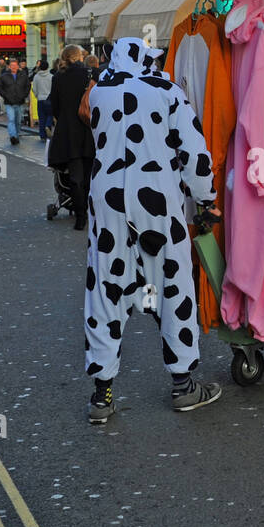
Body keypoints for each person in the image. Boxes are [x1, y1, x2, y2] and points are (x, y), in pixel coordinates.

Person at [83, 38, 221, 423]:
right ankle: (182, 384)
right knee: (173, 287)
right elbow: (193, 153)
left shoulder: (99, 94)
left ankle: (101, 394)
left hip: (108, 202)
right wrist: (206, 198)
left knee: (106, 289)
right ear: (149, 61)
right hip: (157, 201)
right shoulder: (168, 93)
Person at [47, 45, 94, 231]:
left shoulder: (59, 77)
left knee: (76, 177)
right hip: (89, 129)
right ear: (79, 56)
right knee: (91, 173)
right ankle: (93, 212)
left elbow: (55, 106)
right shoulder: (89, 75)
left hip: (69, 132)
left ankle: (80, 216)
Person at [0, 57, 29, 145]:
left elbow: (27, 86)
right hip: (9, 102)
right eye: (12, 66)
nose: (13, 67)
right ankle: (13, 136)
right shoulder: (4, 76)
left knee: (18, 121)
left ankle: (17, 134)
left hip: (19, 101)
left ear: (18, 66)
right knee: (11, 119)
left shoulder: (23, 75)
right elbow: (0, 88)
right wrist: (5, 96)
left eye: (15, 65)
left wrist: (24, 95)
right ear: (9, 67)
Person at [33, 58, 54, 141]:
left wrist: (37, 96)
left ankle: (42, 136)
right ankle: (48, 126)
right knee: (50, 115)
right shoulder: (51, 76)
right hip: (49, 99)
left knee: (41, 118)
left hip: (40, 99)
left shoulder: (36, 77)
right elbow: (53, 88)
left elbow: (34, 89)